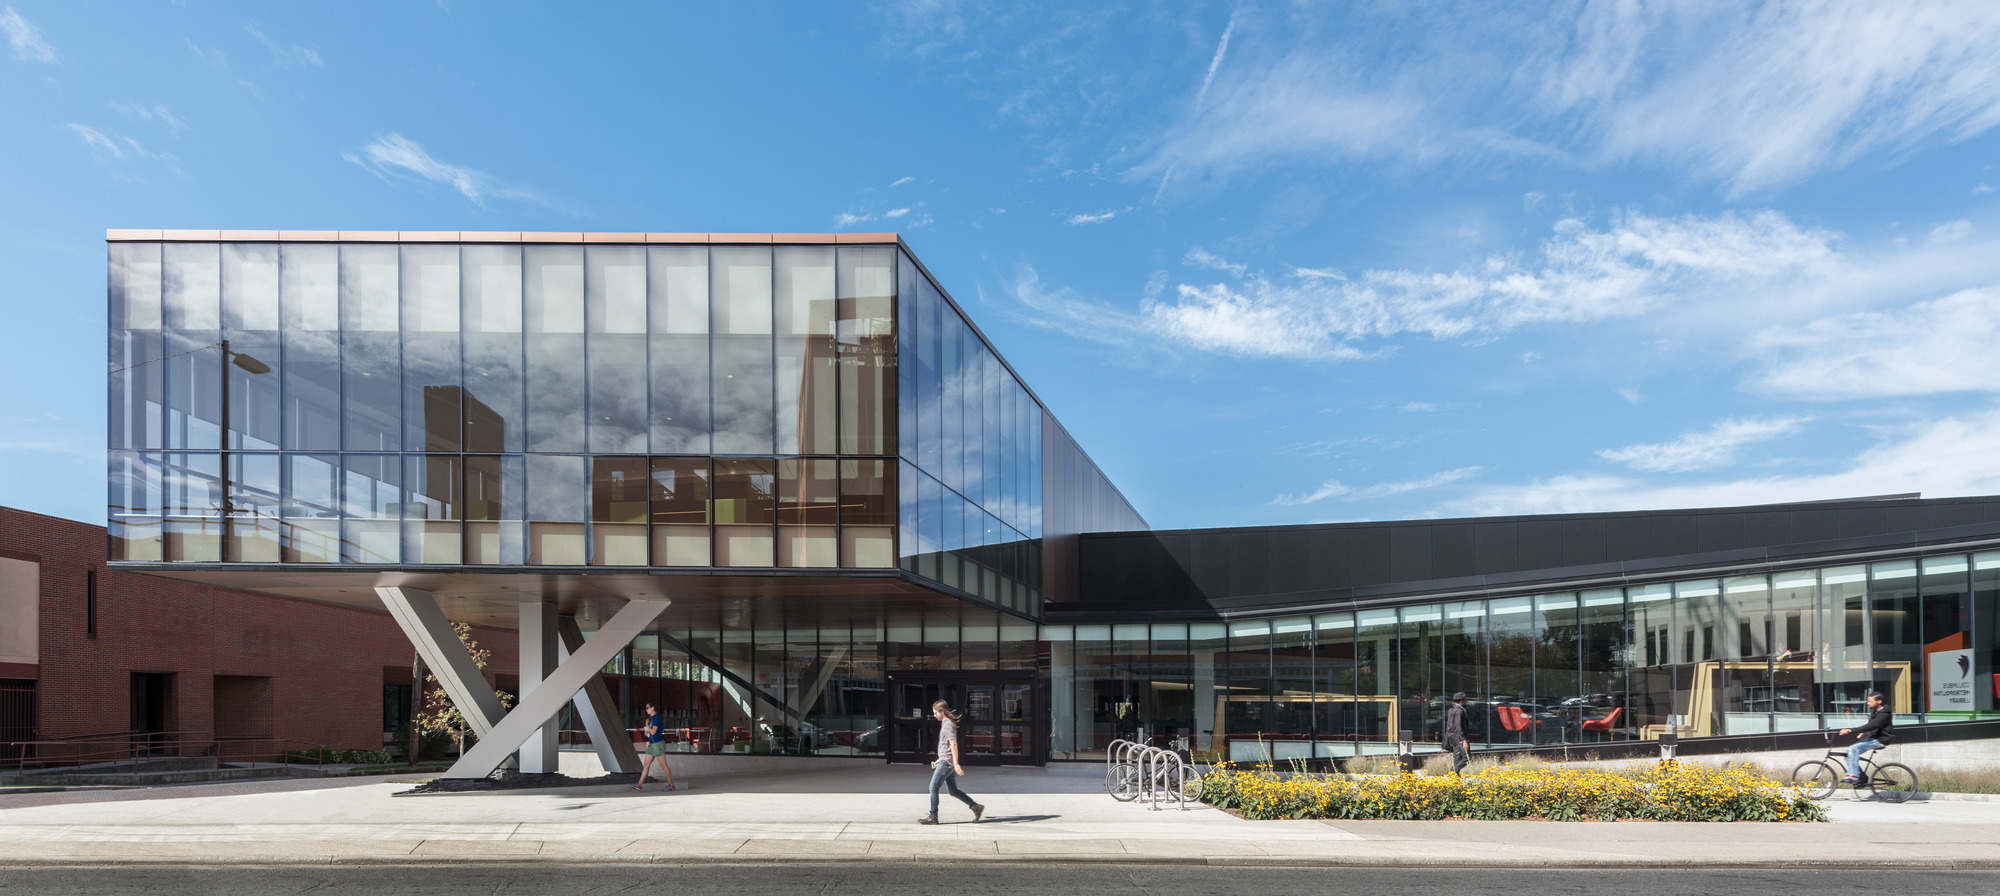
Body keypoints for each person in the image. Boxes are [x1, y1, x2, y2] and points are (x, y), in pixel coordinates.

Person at [918, 699, 984, 824]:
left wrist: (956, 763)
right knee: (953, 791)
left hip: (947, 764)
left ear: (942, 711)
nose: (934, 715)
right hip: (945, 761)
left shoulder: (947, 724)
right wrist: (940, 759)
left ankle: (933, 816)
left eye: (935, 712)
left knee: (933, 787)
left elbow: (953, 744)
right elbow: (946, 745)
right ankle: (975, 807)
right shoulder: (946, 723)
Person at [1836, 691, 1895, 784]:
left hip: (1881, 739)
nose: (1868, 704)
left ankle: (1853, 775)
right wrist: (1863, 732)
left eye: (1870, 702)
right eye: (1868, 701)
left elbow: (1873, 725)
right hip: (1874, 737)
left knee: (1853, 749)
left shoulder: (1884, 713)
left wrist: (1851, 730)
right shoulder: (1876, 711)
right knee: (1848, 753)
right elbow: (1871, 725)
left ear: (1879, 701)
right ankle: (1862, 778)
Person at [633, 702, 676, 792]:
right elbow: (651, 733)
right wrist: (647, 732)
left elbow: (653, 732)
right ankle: (639, 785)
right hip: (652, 745)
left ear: (653, 708)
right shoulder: (652, 719)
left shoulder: (656, 718)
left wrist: (647, 725)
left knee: (663, 765)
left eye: (648, 707)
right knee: (646, 765)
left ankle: (671, 784)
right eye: (646, 708)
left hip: (658, 744)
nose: (646, 709)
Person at [1443, 691, 1470, 774]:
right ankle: (1452, 772)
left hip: (1453, 738)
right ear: (1461, 701)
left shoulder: (1451, 710)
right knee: (1467, 758)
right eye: (1465, 700)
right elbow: (1459, 727)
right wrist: (1464, 740)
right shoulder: (1459, 711)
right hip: (1459, 738)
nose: (1466, 701)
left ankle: (1455, 778)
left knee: (1457, 758)